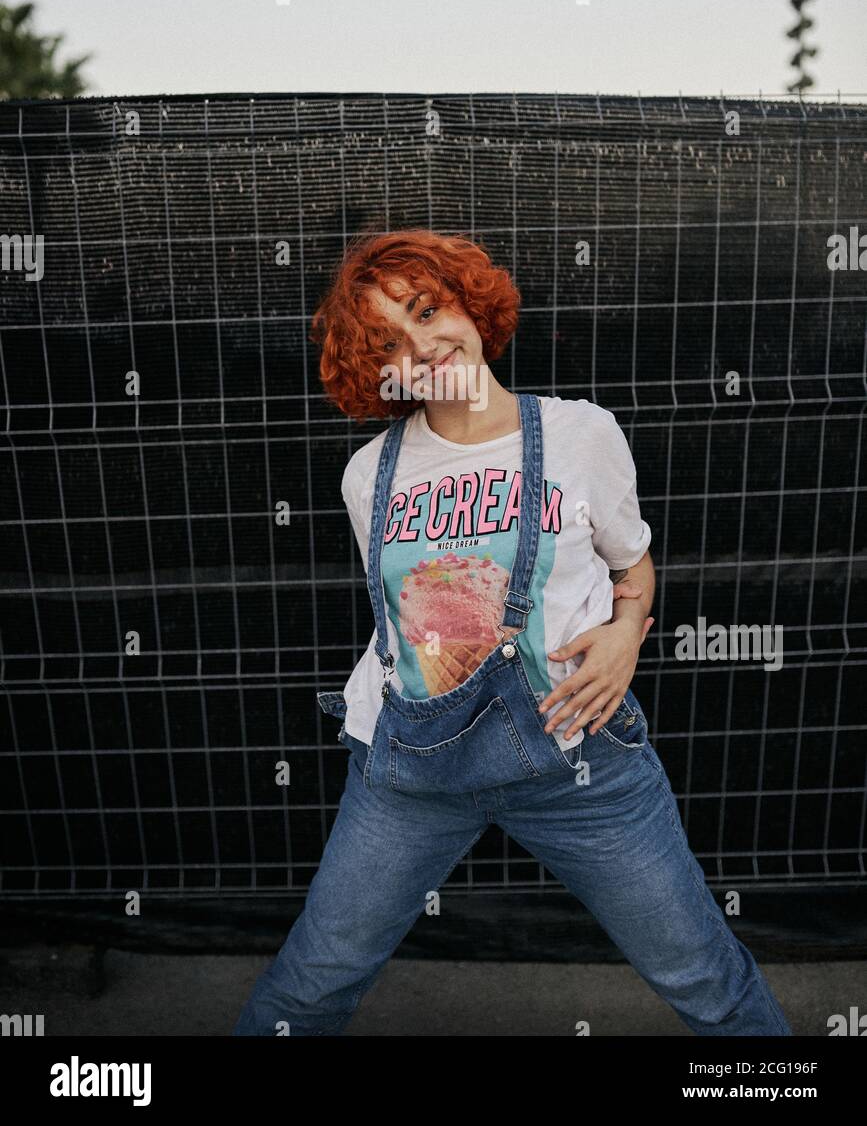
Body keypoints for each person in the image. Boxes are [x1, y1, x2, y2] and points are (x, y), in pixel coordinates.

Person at [231, 227, 791, 1037]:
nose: (423, 345)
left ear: (468, 304)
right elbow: (399, 618)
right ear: (377, 368)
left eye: (428, 310)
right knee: (311, 985)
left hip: (577, 760)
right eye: (391, 340)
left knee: (703, 975)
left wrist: (626, 634)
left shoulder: (579, 435)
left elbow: (633, 570)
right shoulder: (368, 476)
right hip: (408, 773)